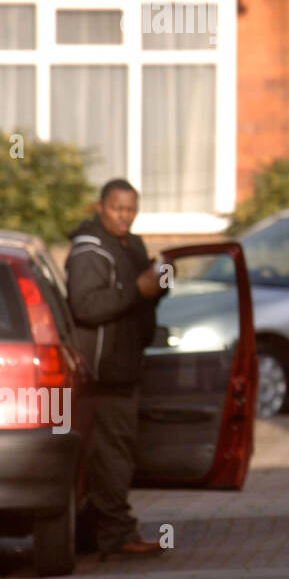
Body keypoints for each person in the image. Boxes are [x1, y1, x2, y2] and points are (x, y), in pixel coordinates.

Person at [66, 179, 169, 557]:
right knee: (112, 456)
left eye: (131, 209)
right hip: (102, 374)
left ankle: (97, 531)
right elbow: (86, 307)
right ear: (100, 207)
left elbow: (144, 293)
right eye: (117, 208)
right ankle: (117, 535)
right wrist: (137, 290)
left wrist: (161, 282)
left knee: (116, 453)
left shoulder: (133, 245)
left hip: (128, 367)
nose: (125, 216)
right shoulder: (88, 252)